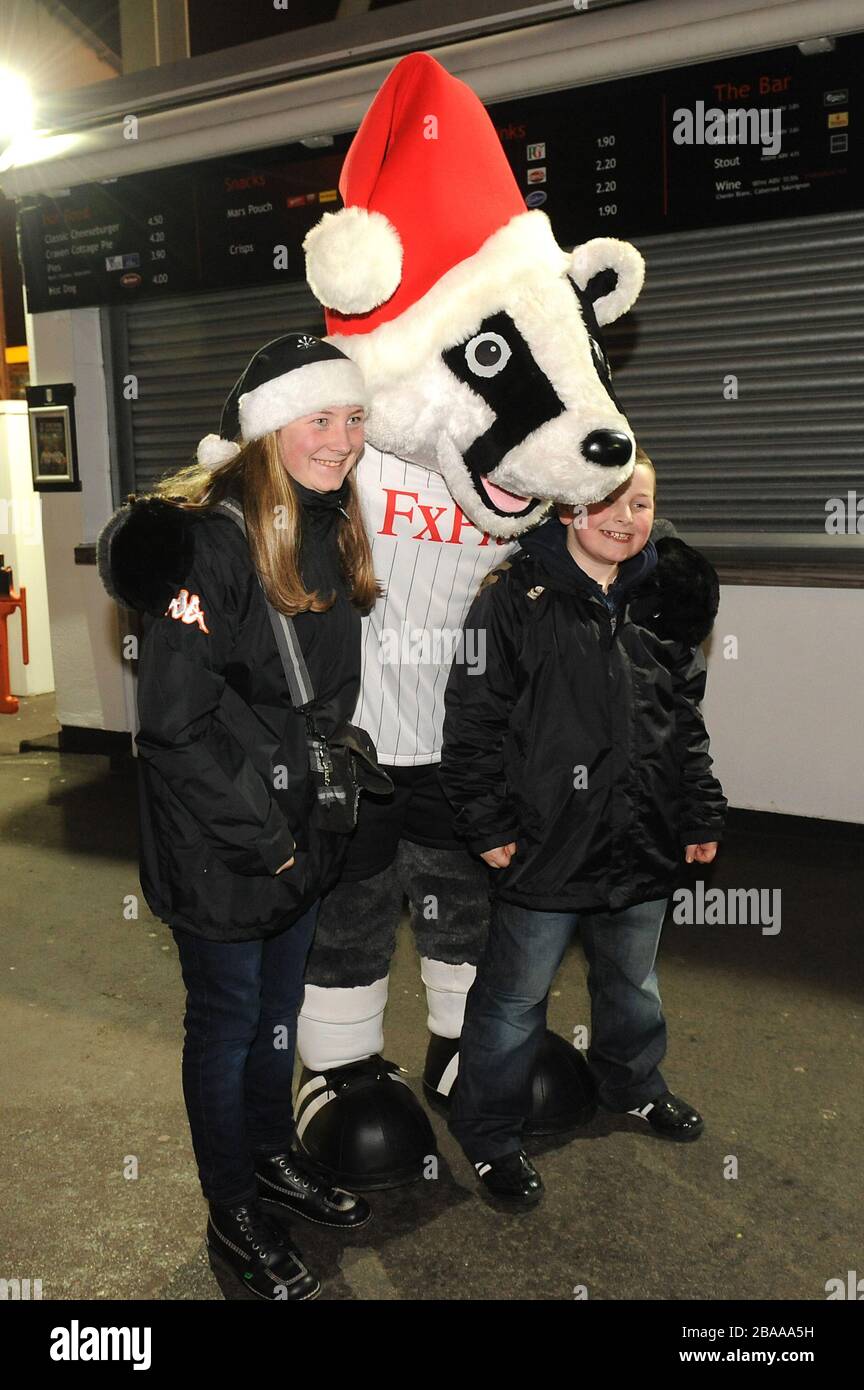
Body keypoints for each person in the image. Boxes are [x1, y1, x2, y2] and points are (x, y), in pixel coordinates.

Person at [98, 333, 386, 1298]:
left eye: (352, 418)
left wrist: (314, 822)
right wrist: (268, 841)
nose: (342, 438)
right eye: (321, 418)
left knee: (276, 1016)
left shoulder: (326, 520)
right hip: (228, 848)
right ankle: (232, 1211)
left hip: (298, 835)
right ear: (269, 429)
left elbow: (307, 698)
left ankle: (271, 1158)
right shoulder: (209, 544)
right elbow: (173, 729)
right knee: (226, 1029)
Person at [439, 448, 727, 1205]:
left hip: (643, 832)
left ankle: (632, 1083)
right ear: (569, 505)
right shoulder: (512, 597)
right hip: (546, 840)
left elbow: (682, 718)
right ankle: (491, 1133)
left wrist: (698, 807)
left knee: (633, 981)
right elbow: (471, 719)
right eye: (607, 502)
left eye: (640, 505)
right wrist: (484, 819)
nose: (624, 520)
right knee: (513, 999)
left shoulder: (668, 596)